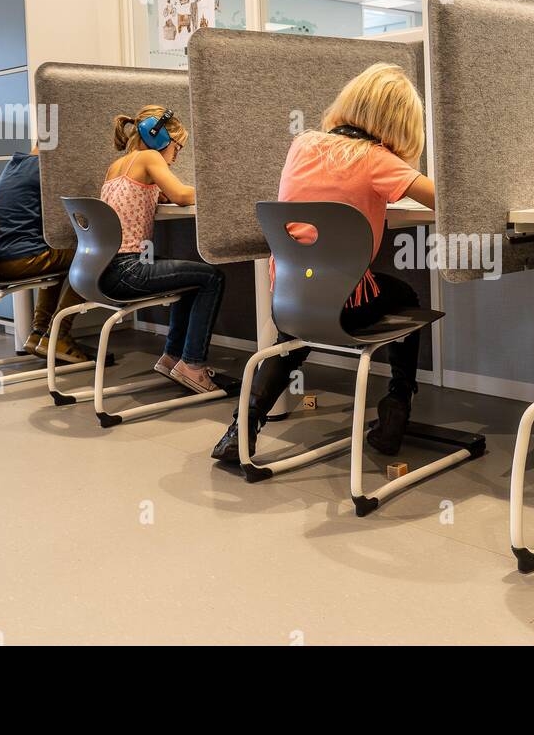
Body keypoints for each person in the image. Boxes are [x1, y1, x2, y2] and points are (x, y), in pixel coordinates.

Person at [212, 63, 435, 462]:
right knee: (405, 295)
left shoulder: (303, 144)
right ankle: (397, 406)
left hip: (289, 299)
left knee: (294, 339)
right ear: (399, 122)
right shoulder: (377, 159)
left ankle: (240, 428)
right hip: (346, 307)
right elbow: (443, 200)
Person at [99, 106, 226, 394]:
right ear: (158, 139)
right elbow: (181, 195)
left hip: (104, 269)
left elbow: (165, 193)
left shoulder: (116, 167)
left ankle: (173, 357)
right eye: (177, 147)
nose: (176, 155)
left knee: (192, 278)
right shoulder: (149, 156)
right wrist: (220, 190)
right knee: (212, 277)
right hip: (128, 269)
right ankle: (193, 366)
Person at [0, 147, 90, 363]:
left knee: (61, 252)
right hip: (22, 260)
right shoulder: (43, 171)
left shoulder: (19, 164)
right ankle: (58, 335)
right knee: (94, 257)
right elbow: (82, 206)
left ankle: (39, 332)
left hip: (1, 260)